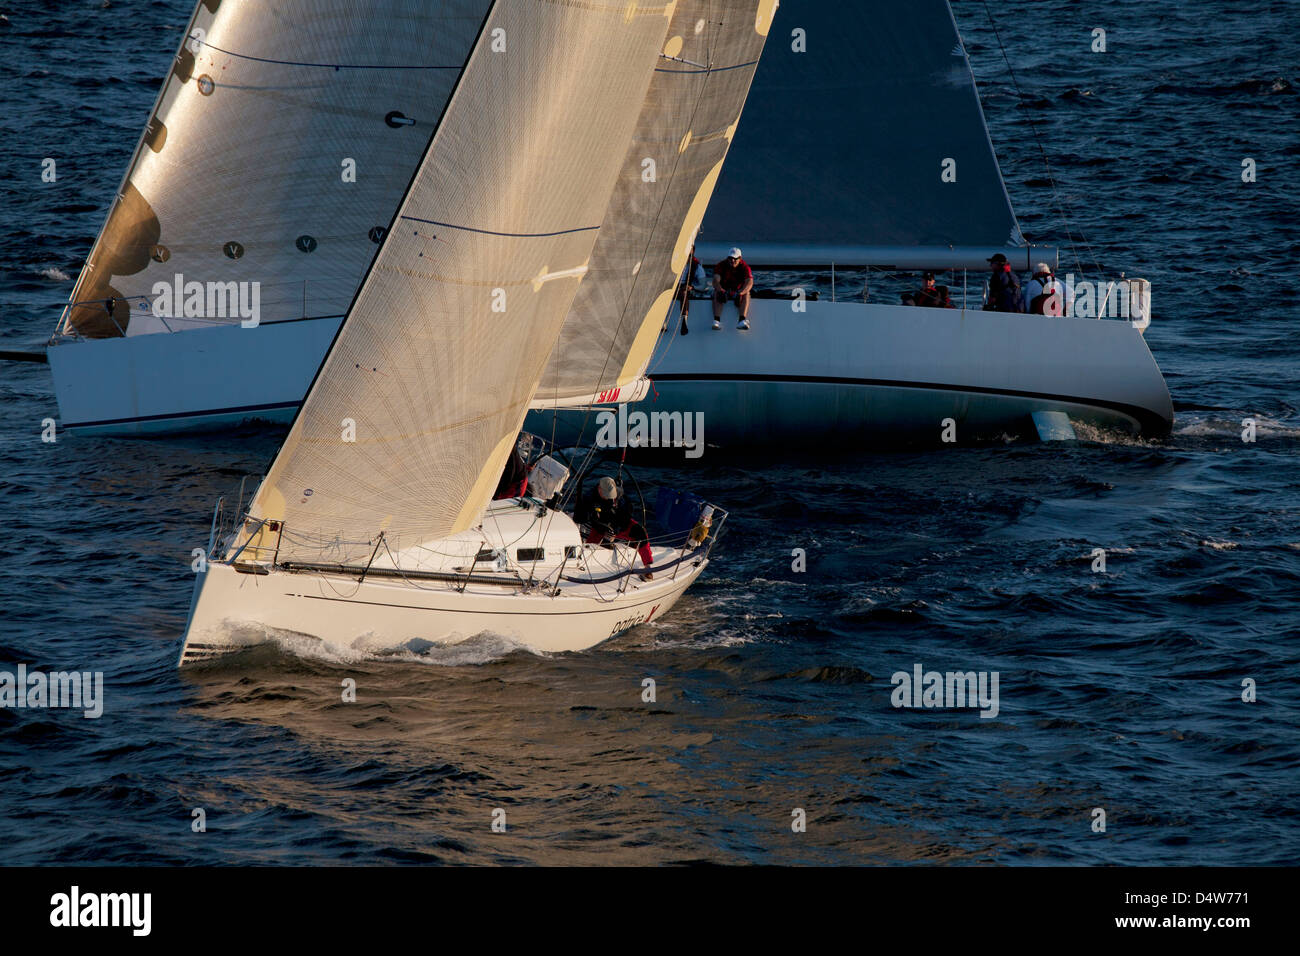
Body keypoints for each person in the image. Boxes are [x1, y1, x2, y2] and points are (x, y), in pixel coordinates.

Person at [579, 475, 654, 578]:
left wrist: (617, 529)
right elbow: (589, 519)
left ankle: (647, 566)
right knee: (590, 547)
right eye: (607, 495)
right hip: (600, 527)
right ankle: (584, 569)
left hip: (619, 524)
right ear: (599, 489)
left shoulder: (620, 495)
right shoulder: (589, 498)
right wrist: (603, 528)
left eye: (612, 495)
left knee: (640, 532)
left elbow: (627, 513)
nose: (610, 498)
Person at [712, 247, 753, 330]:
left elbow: (749, 282)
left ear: (740, 258)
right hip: (724, 291)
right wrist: (720, 290)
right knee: (717, 292)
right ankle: (716, 320)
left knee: (747, 293)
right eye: (730, 258)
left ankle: (742, 320)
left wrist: (740, 293)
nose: (732, 261)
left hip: (738, 291)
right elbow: (715, 280)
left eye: (735, 259)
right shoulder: (721, 265)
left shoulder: (745, 267)